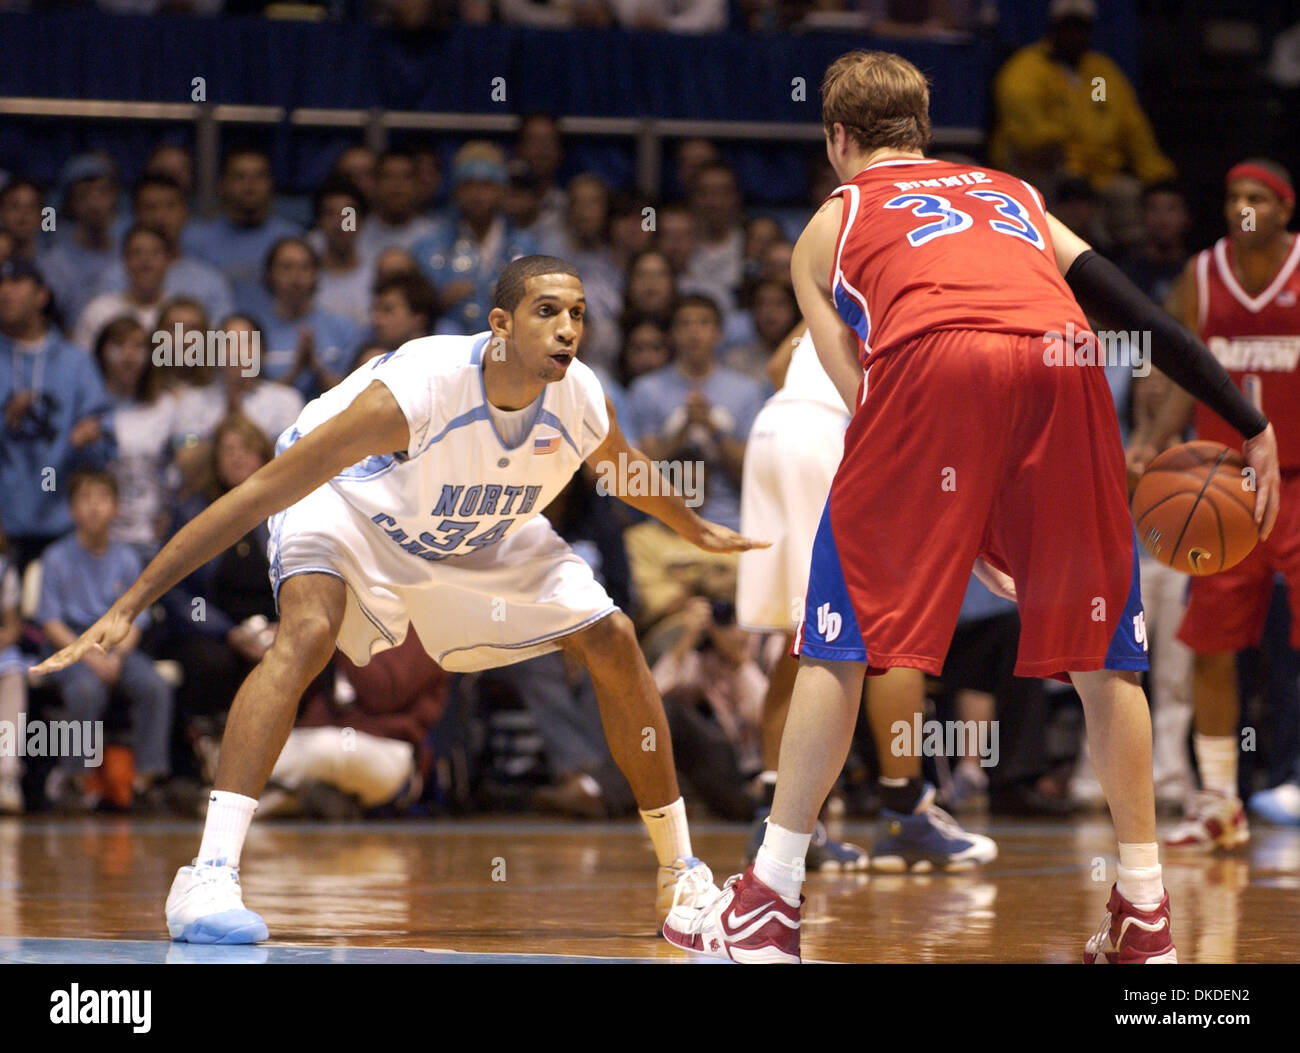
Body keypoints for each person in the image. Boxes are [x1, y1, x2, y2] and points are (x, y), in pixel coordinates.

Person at [662, 49, 1279, 965]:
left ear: (838, 139)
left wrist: (956, 510)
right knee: (1108, 656)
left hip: (928, 363)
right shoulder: (1015, 193)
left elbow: (870, 398)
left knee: (843, 635)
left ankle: (768, 899)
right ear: (924, 129)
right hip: (1066, 362)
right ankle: (1145, 913)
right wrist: (1247, 418)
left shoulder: (832, 222)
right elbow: (1134, 313)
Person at [34, 255, 764, 945]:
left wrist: (697, 527)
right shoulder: (419, 391)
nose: (569, 327)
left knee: (615, 636)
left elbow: (626, 470)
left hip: (470, 525)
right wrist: (132, 600)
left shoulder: (577, 397)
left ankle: (680, 875)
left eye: (577, 311)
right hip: (350, 503)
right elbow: (257, 493)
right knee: (308, 633)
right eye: (548, 311)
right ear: (501, 324)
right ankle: (209, 875)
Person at [737, 325, 995, 871]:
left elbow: (777, 367)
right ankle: (906, 811)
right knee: (889, 625)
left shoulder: (846, 266)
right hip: (832, 432)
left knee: (802, 631)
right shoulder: (933, 267)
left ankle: (775, 820)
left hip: (775, 429)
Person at [1131, 159, 1300, 837]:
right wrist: (1151, 439)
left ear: (1285, 209)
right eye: (1233, 197)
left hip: (1298, 478)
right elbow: (1185, 373)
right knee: (1211, 643)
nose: (1243, 207)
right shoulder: (1202, 276)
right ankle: (1219, 799)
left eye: (1258, 197)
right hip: (1225, 484)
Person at [37, 469, 174, 809]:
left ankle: (145, 780)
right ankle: (76, 780)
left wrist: (115, 654)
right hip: (70, 651)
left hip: (116, 649)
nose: (94, 507)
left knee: (155, 686)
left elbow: (136, 618)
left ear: (115, 507)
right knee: (85, 689)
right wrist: (89, 656)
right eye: (85, 499)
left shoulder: (127, 558)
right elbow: (50, 622)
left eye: (102, 499)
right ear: (72, 509)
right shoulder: (55, 558)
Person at [0, 258, 115, 570]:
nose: (5, 291)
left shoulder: (74, 362)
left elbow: (105, 439)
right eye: (1, 284)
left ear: (41, 295)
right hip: (6, 528)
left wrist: (86, 439)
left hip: (66, 527)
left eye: (16, 282)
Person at [94, 175, 234, 324]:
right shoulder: (113, 279)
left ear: (185, 213)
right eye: (150, 207)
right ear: (135, 215)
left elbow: (223, 340)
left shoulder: (209, 282)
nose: (160, 216)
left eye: (170, 206)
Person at [183, 147, 301, 310]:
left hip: (278, 332)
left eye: (259, 176)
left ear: (270, 184)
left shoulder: (292, 238)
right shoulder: (195, 240)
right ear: (222, 184)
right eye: (240, 177)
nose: (250, 185)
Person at [0, 525, 25, 814]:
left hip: (2, 651)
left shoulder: (5, 570)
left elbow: (13, 627)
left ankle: (6, 776)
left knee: (14, 673)